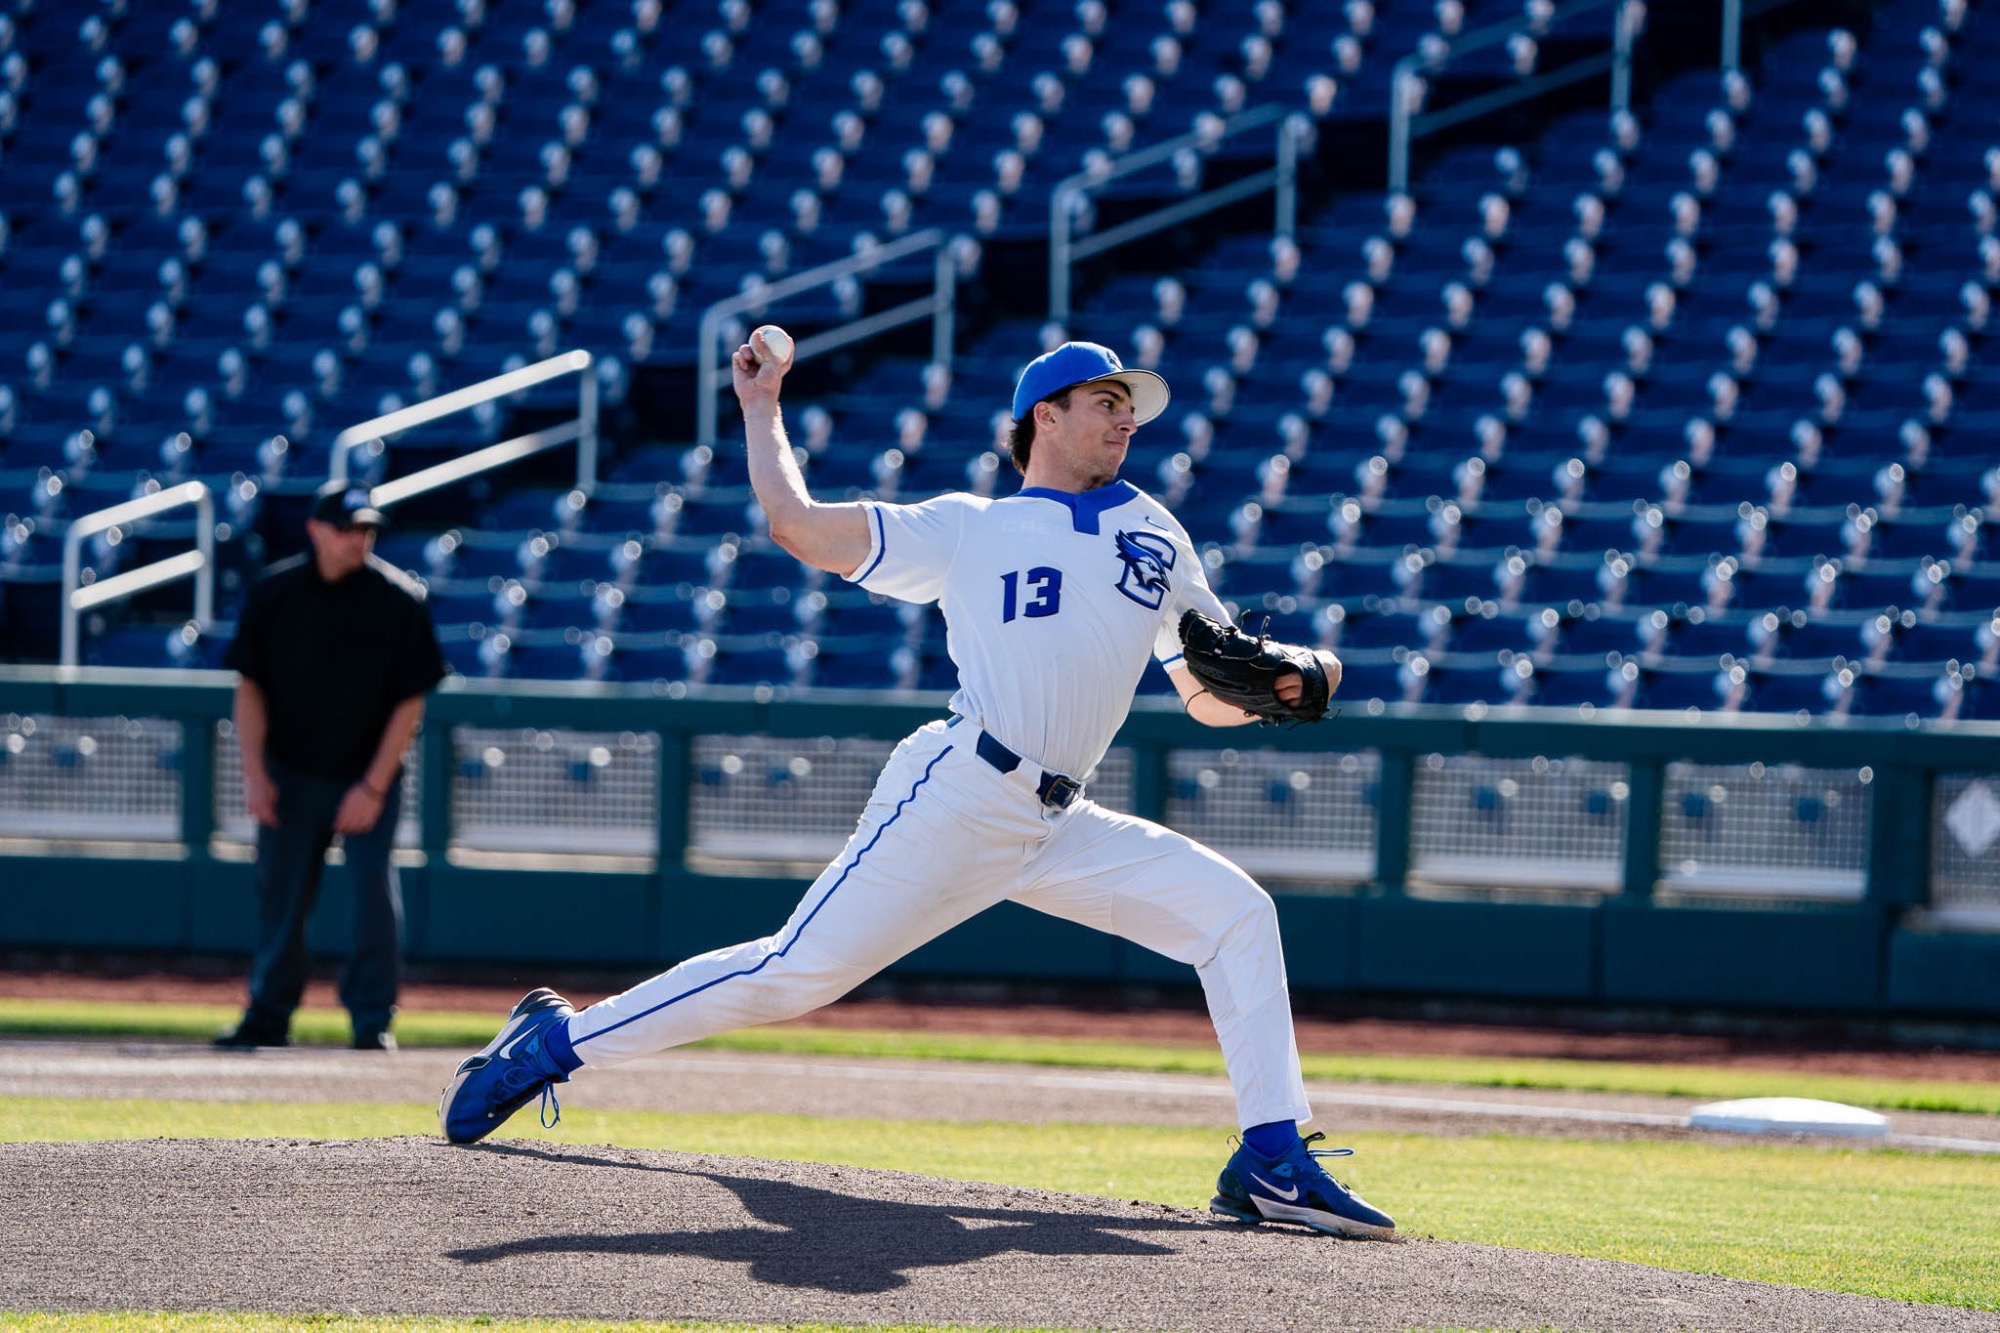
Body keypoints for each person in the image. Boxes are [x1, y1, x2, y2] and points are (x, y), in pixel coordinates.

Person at [439, 337, 1395, 1238]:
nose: (1126, 419)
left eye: (1130, 406)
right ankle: (554, 1043)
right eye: (1106, 401)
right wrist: (762, 407)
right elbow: (798, 526)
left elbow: (1203, 692)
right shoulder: (971, 529)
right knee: (791, 974)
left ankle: (1270, 1158)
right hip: (963, 793)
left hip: (1060, 821)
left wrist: (1285, 685)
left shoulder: (1155, 531)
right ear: (1045, 416)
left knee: (1235, 914)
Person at [214, 480, 447, 1052]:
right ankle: (267, 1015)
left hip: (366, 774)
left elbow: (410, 702)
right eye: (346, 529)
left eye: (366, 529)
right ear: (315, 530)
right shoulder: (275, 593)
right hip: (290, 772)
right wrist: (255, 775)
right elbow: (249, 688)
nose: (357, 540)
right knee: (281, 897)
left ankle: (372, 1019)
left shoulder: (399, 600)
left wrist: (373, 786)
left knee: (372, 896)